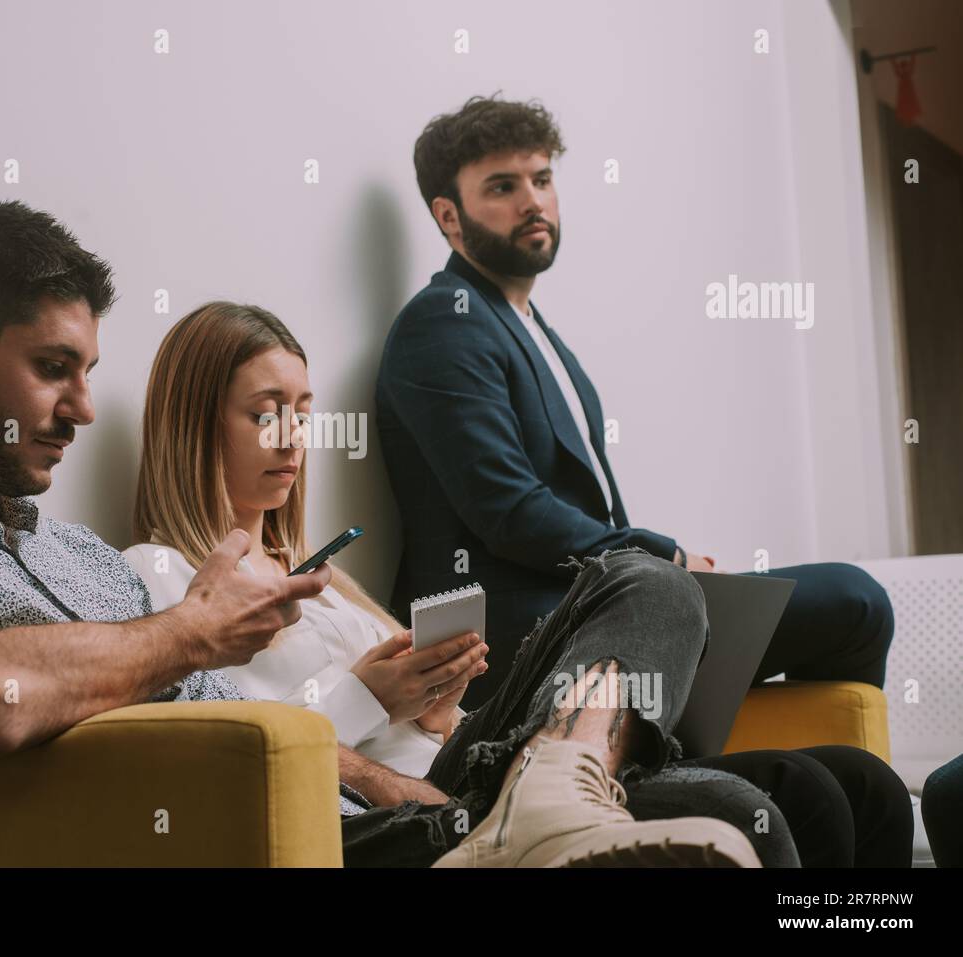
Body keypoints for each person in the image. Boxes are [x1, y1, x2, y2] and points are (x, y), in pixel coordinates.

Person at [0, 200, 750, 868]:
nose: (85, 408)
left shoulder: (84, 561)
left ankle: (545, 789)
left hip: (365, 813)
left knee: (744, 714)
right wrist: (193, 630)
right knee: (734, 822)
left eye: (88, 370)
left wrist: (409, 793)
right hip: (273, 850)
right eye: (53, 367)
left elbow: (263, 733)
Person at [121, 299, 909, 867]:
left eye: (303, 410)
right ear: (195, 424)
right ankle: (560, 776)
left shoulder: (330, 580)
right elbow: (223, 741)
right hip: (431, 806)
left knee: (853, 782)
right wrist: (368, 694)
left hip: (475, 762)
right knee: (756, 808)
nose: (295, 438)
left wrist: (436, 705)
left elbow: (422, 728)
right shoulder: (160, 574)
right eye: (266, 413)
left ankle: (569, 765)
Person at [373, 94, 912, 865]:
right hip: (538, 643)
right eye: (502, 185)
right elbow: (509, 512)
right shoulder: (445, 322)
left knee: (856, 765)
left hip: (607, 612)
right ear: (450, 217)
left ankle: (669, 749)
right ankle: (639, 754)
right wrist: (664, 557)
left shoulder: (533, 330)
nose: (533, 199)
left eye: (542, 178)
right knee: (854, 602)